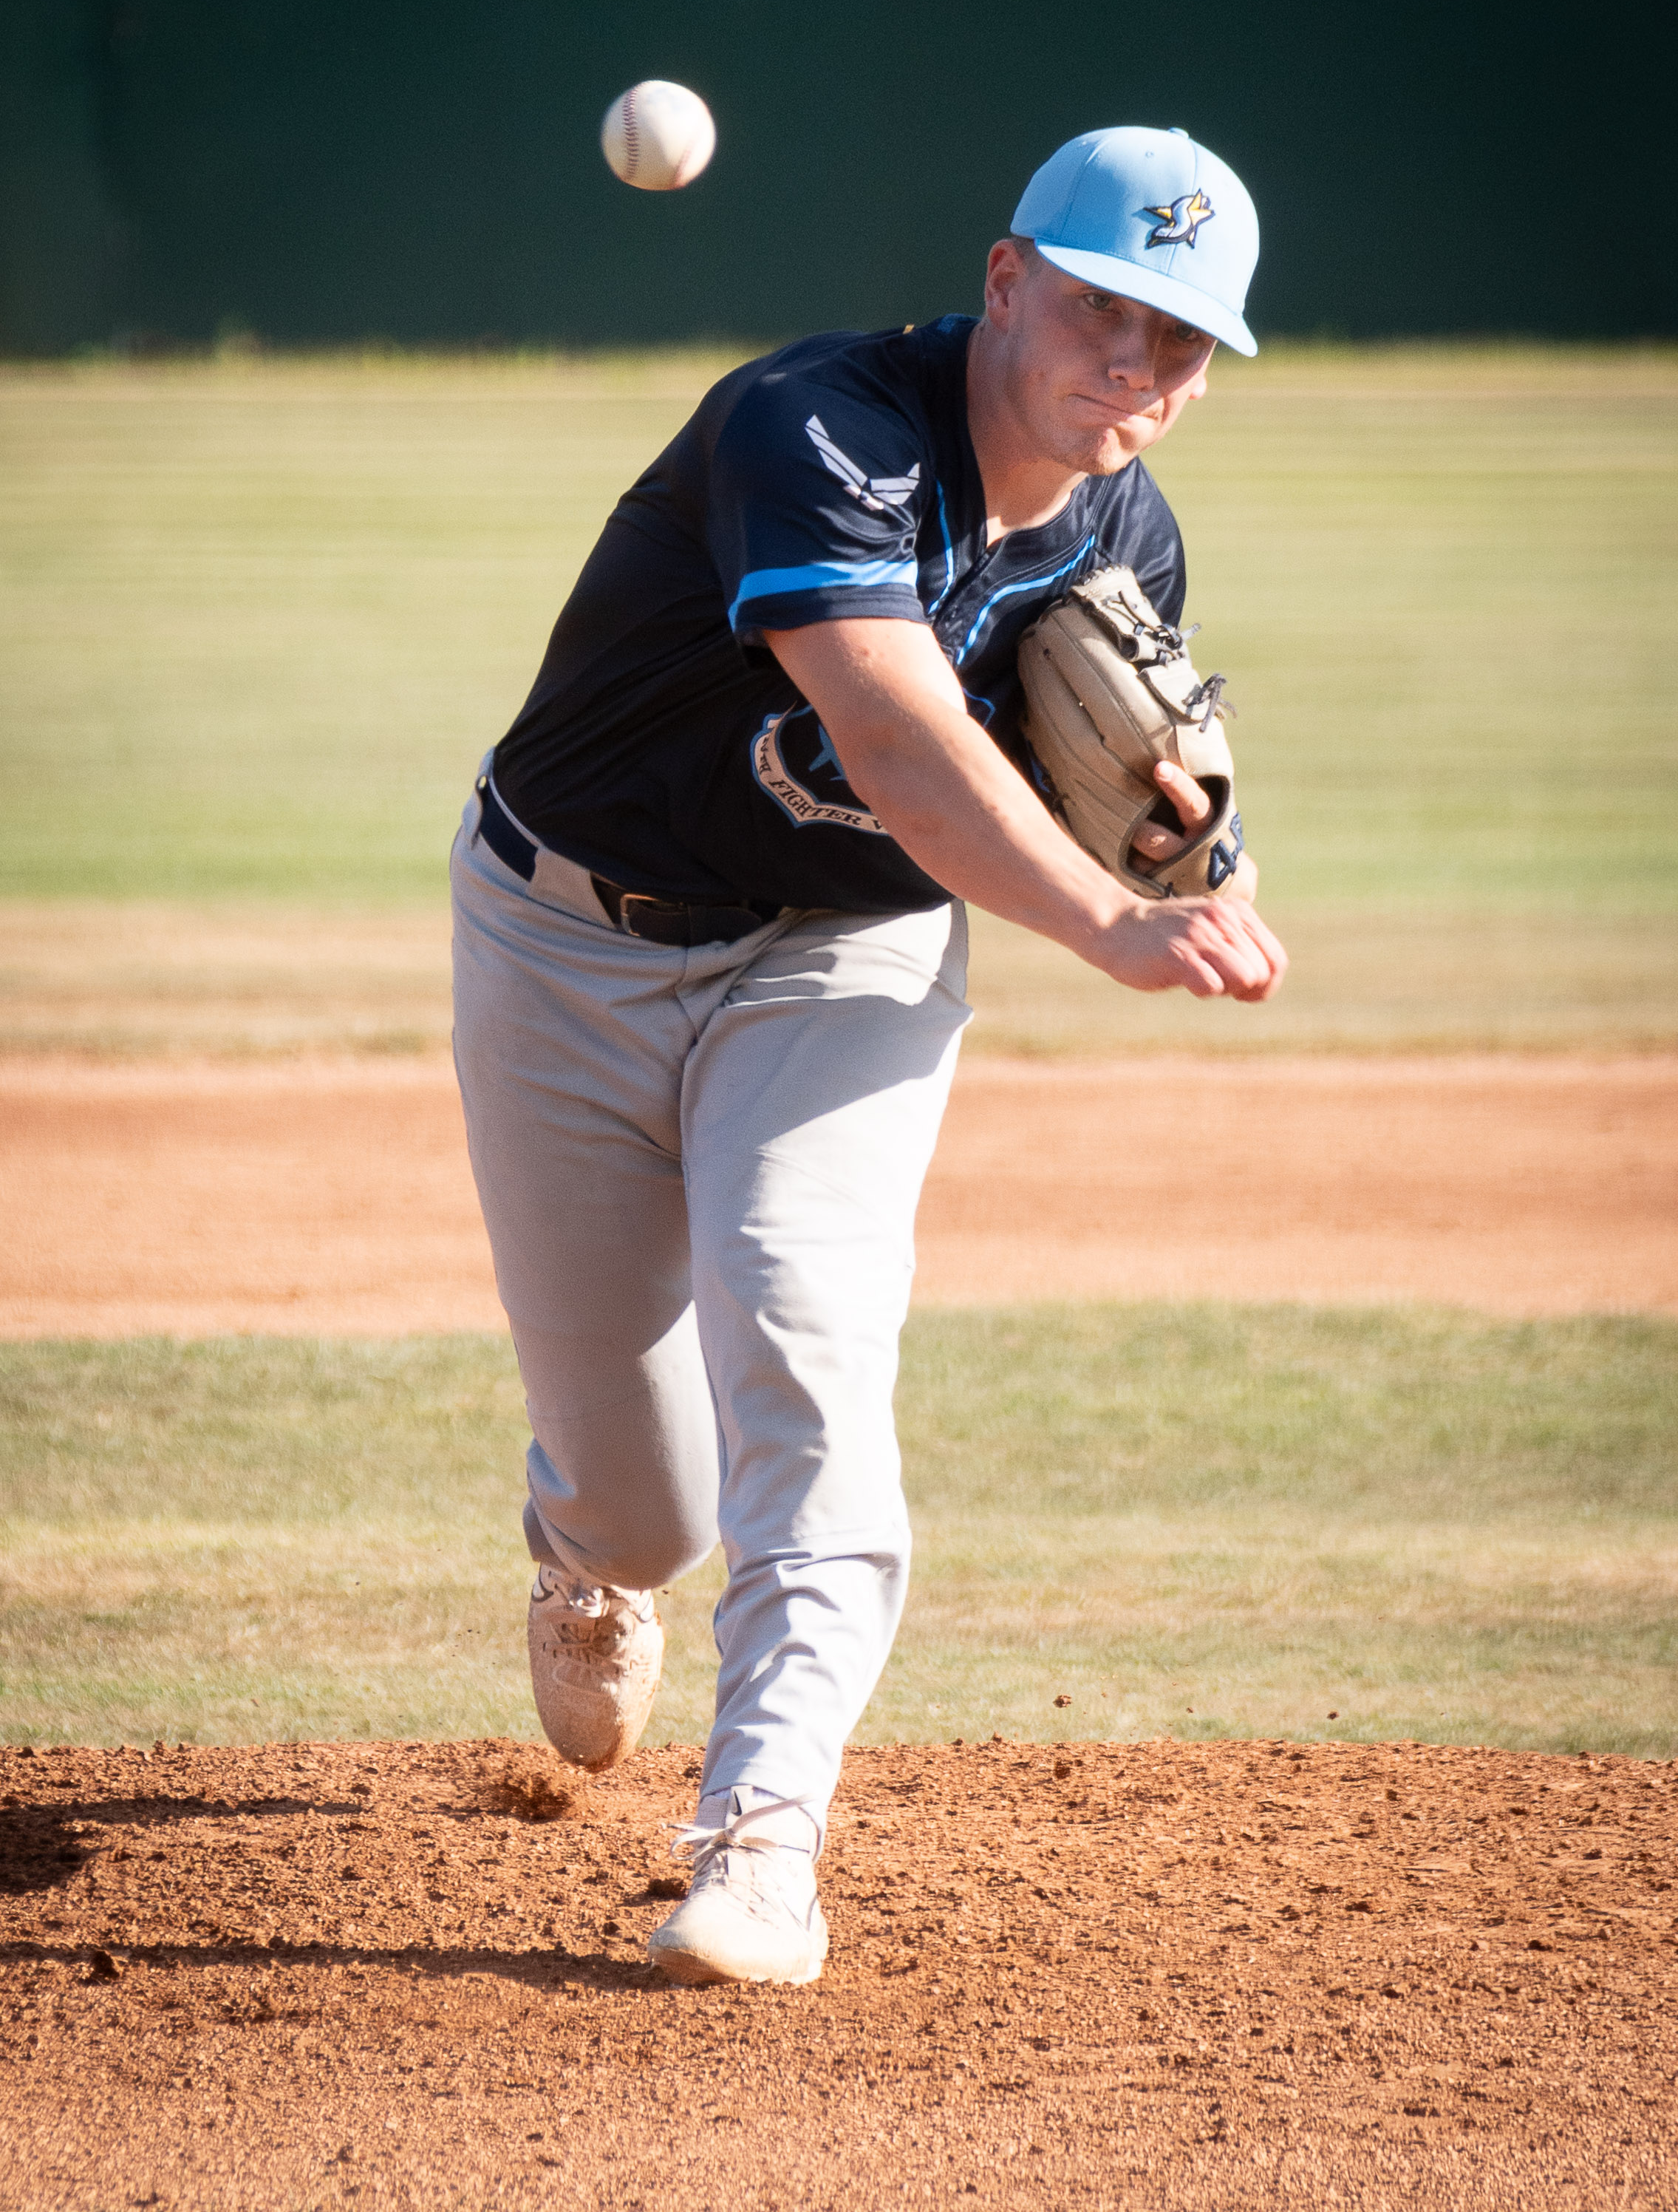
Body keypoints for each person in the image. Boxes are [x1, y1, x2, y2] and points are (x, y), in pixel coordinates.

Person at [450, 124, 1287, 1987]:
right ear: (1003, 281)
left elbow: (1113, 793)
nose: (1137, 371)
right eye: (1102, 313)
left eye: (1182, 345)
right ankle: (587, 1556)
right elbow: (901, 744)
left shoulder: (1120, 521)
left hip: (841, 958)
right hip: (563, 936)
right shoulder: (812, 427)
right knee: (644, 1487)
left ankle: (761, 1849)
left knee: (803, 1339)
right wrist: (1105, 925)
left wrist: (1179, 849)